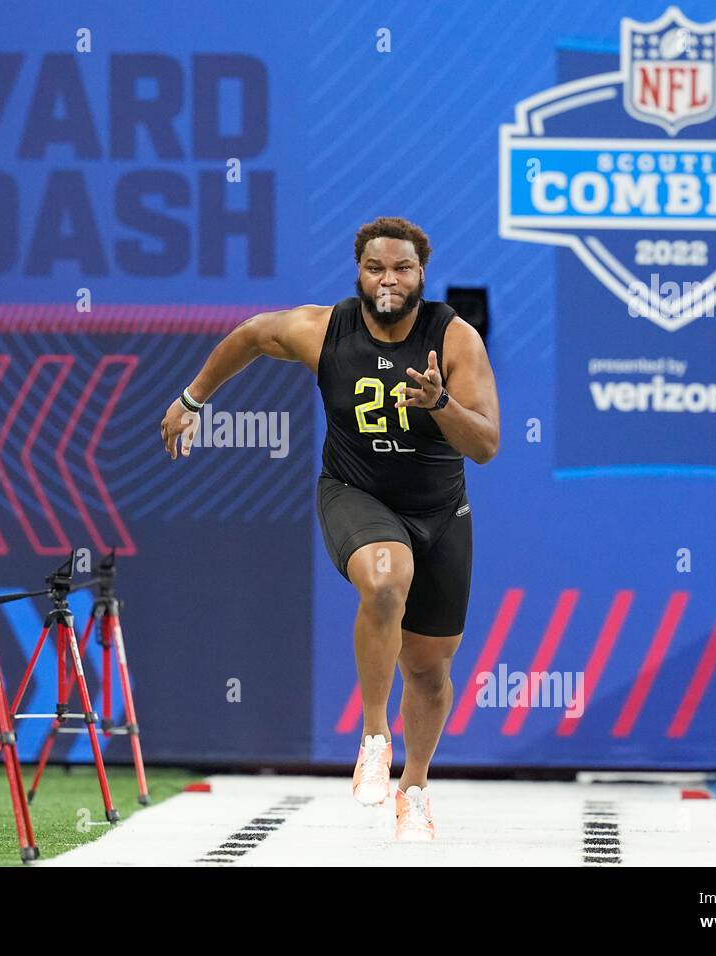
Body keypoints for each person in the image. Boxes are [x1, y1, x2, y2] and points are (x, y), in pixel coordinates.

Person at [160, 216, 500, 841]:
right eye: (376, 268)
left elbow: (486, 445)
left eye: (401, 268)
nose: (388, 279)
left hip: (440, 511)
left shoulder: (454, 340)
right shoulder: (325, 328)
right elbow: (252, 335)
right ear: (359, 273)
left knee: (428, 669)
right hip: (356, 492)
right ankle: (374, 735)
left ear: (421, 273)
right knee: (385, 576)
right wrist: (192, 399)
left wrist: (440, 404)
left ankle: (415, 787)